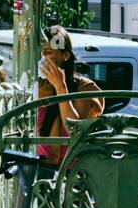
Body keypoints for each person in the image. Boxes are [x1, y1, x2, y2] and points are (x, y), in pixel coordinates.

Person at [37, 25, 104, 165]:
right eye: (41, 53)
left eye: (49, 52)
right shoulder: (36, 87)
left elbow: (75, 130)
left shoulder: (84, 88)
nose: (44, 57)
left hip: (72, 174)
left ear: (65, 55)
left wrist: (60, 86)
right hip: (38, 167)